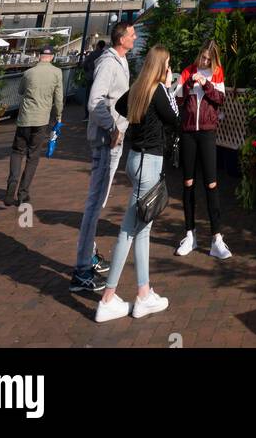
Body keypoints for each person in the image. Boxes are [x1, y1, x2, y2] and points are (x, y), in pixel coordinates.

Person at [95, 46, 178, 323]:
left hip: (135, 159)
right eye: (167, 65)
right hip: (148, 163)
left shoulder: (139, 88)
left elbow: (120, 106)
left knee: (142, 228)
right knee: (129, 231)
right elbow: (175, 118)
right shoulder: (157, 90)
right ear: (161, 66)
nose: (169, 69)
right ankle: (108, 297)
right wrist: (168, 86)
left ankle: (143, 293)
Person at [70, 20, 136, 293]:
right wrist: (111, 128)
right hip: (106, 140)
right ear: (121, 39)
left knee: (100, 199)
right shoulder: (109, 63)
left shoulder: (121, 60)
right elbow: (95, 101)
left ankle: (90, 253)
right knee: (95, 202)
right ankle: (81, 269)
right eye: (132, 34)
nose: (135, 37)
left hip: (113, 138)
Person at [174, 40, 232, 260]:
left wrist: (206, 84)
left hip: (207, 132)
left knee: (211, 183)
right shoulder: (188, 70)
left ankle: (216, 237)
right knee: (188, 183)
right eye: (203, 57)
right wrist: (190, 81)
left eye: (209, 58)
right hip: (188, 132)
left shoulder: (217, 73)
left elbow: (220, 99)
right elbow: (178, 99)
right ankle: (190, 234)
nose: (204, 61)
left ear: (213, 59)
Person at [4, 44, 64, 206]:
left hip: (24, 118)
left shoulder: (29, 72)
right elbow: (58, 98)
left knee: (17, 151)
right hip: (41, 120)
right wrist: (58, 116)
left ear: (39, 56)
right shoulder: (56, 73)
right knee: (33, 156)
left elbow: (21, 91)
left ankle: (12, 183)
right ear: (52, 57)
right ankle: (23, 193)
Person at [81, 39, 106, 119]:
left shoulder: (93, 54)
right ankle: (97, 114)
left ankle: (87, 115)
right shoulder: (105, 54)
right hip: (100, 77)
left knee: (88, 96)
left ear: (98, 45)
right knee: (100, 96)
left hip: (91, 77)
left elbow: (85, 64)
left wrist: (87, 71)